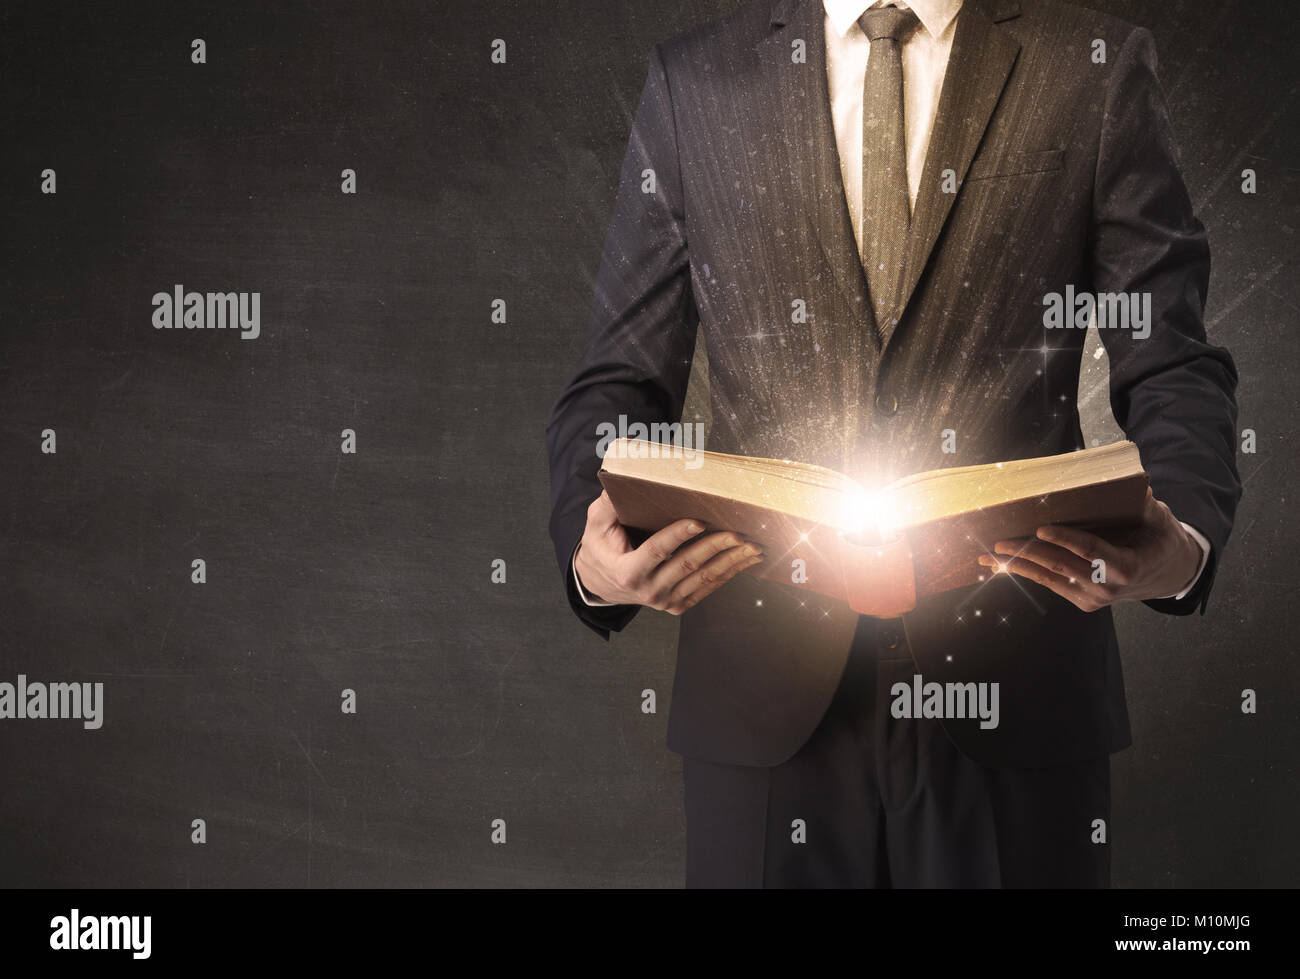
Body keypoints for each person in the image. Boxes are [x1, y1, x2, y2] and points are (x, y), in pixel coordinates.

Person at [546, 0, 1241, 887]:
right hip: (762, 704)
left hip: (1020, 690)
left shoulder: (1094, 66)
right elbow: (617, 384)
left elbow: (1176, 363)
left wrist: (1181, 543)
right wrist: (591, 552)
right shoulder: (694, 83)